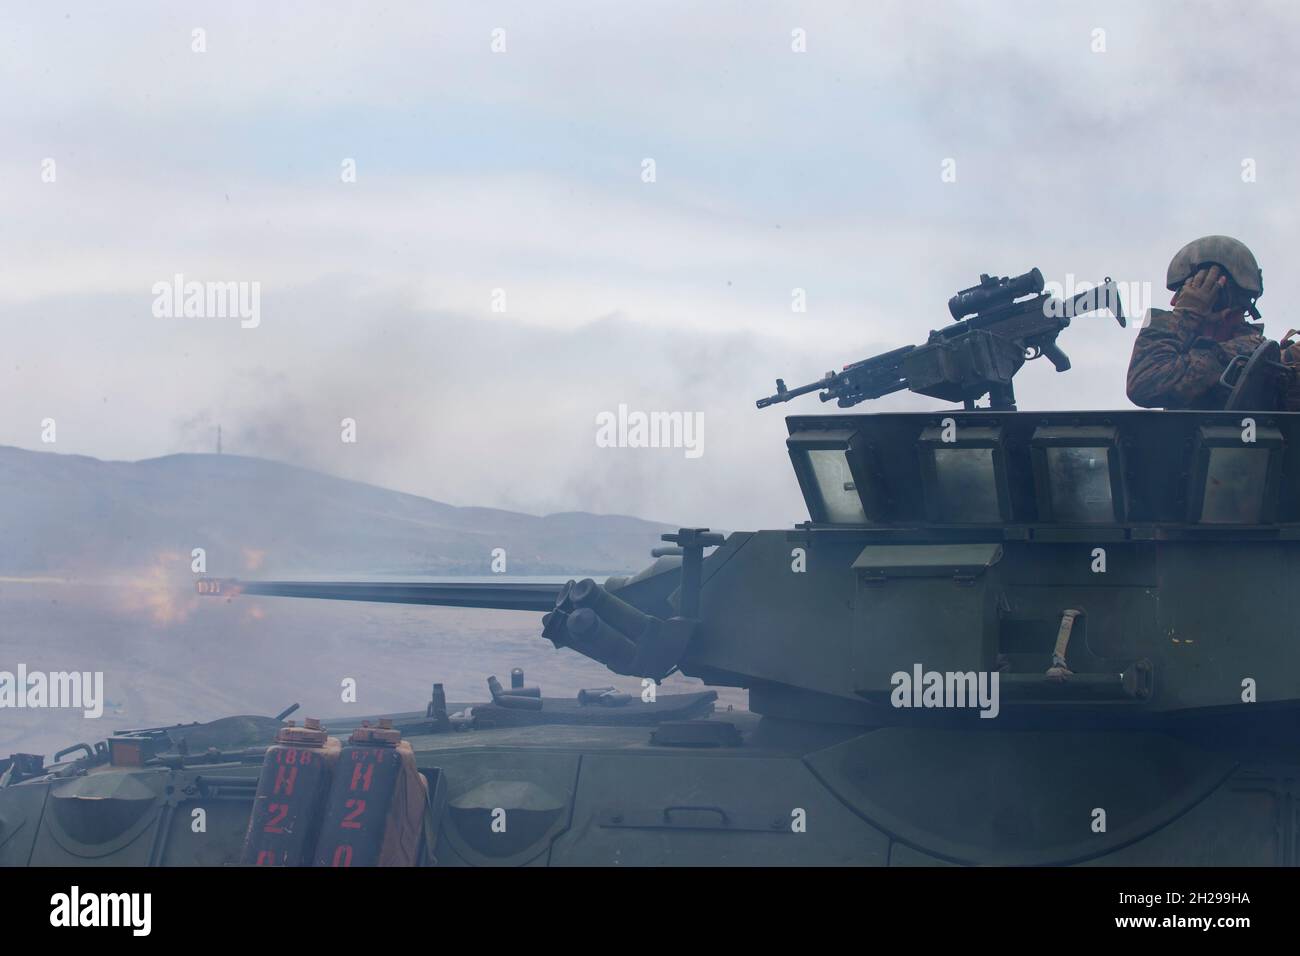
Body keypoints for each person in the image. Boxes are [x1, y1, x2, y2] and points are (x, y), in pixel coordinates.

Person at [1126, 235, 1294, 409]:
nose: (1175, 302)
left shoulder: (1246, 357)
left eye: (1188, 292)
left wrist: (1186, 315)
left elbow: (1144, 384)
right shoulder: (1186, 352)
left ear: (1219, 302)